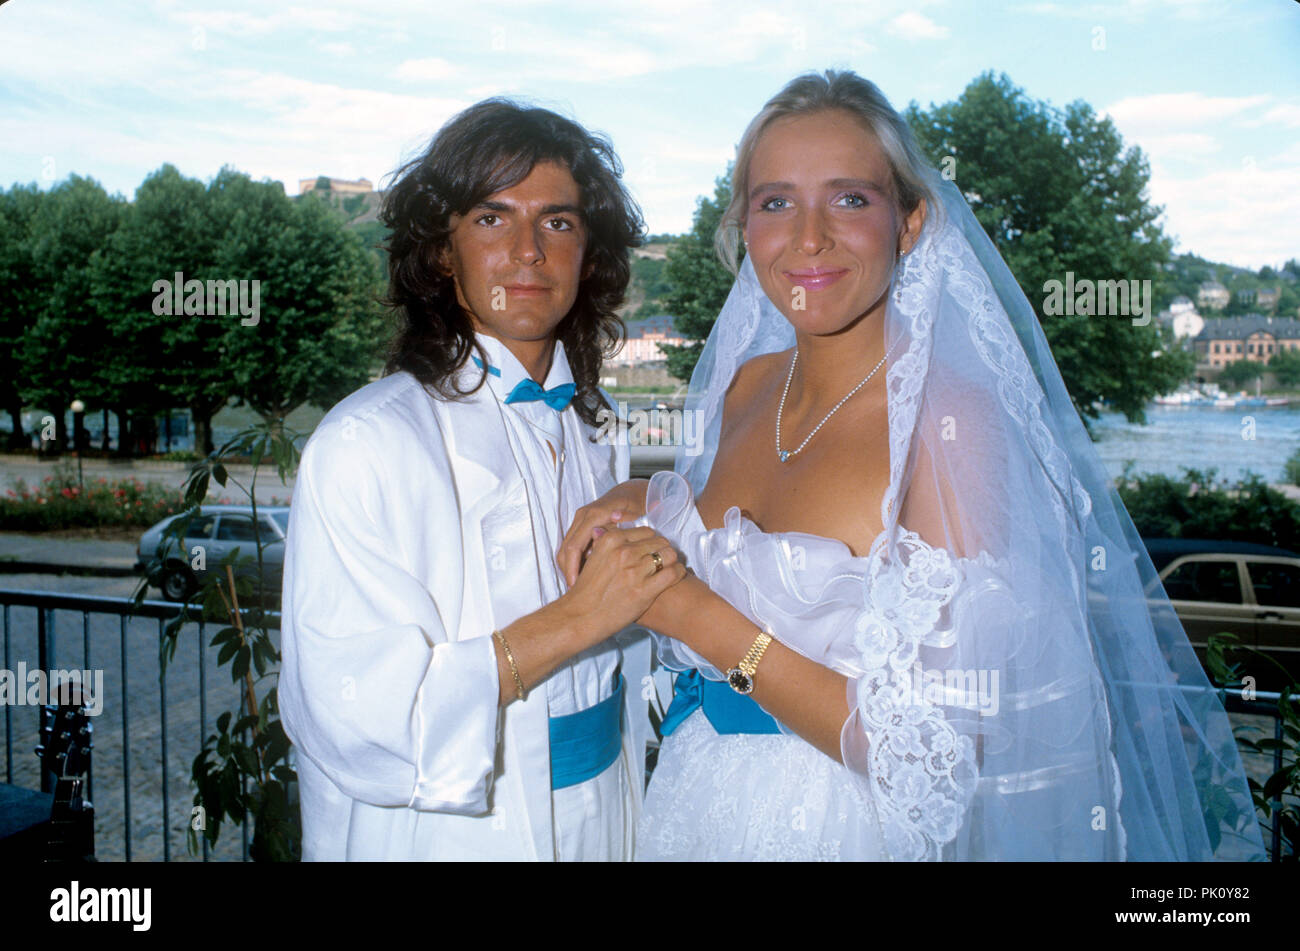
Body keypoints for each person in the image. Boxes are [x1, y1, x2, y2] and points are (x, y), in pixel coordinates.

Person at [560, 70, 1266, 861]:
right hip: (692, 809)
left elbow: (930, 757)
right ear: (744, 227)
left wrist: (694, 617)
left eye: (851, 199)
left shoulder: (951, 420)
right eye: (776, 202)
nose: (809, 236)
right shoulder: (742, 389)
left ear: (912, 222)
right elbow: (736, 547)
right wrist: (651, 503)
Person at [278, 99, 685, 861]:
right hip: (455, 834)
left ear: (588, 252)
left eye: (558, 222)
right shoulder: (364, 444)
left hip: (611, 815)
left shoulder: (596, 429)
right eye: (492, 219)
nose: (529, 251)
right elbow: (353, 717)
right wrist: (580, 617)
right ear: (441, 251)